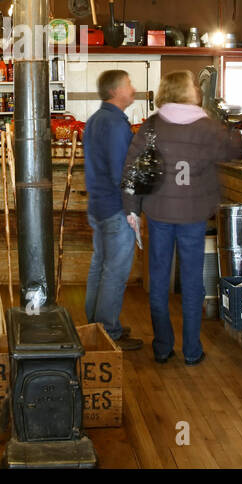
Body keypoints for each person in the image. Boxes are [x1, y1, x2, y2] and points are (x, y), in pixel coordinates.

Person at [122, 70, 241, 366]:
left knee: (159, 281)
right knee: (192, 283)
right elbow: (234, 149)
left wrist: (132, 209)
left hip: (159, 213)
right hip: (193, 215)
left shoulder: (150, 126)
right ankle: (191, 350)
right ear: (190, 92)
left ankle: (162, 347)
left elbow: (132, 172)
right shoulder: (206, 127)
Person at [82, 69, 143, 351]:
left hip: (97, 204)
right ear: (116, 91)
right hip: (116, 208)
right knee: (115, 272)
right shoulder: (117, 125)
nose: (132, 88)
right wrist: (133, 208)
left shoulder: (94, 120)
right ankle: (108, 332)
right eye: (129, 83)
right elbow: (123, 172)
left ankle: (95, 325)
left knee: (100, 267)